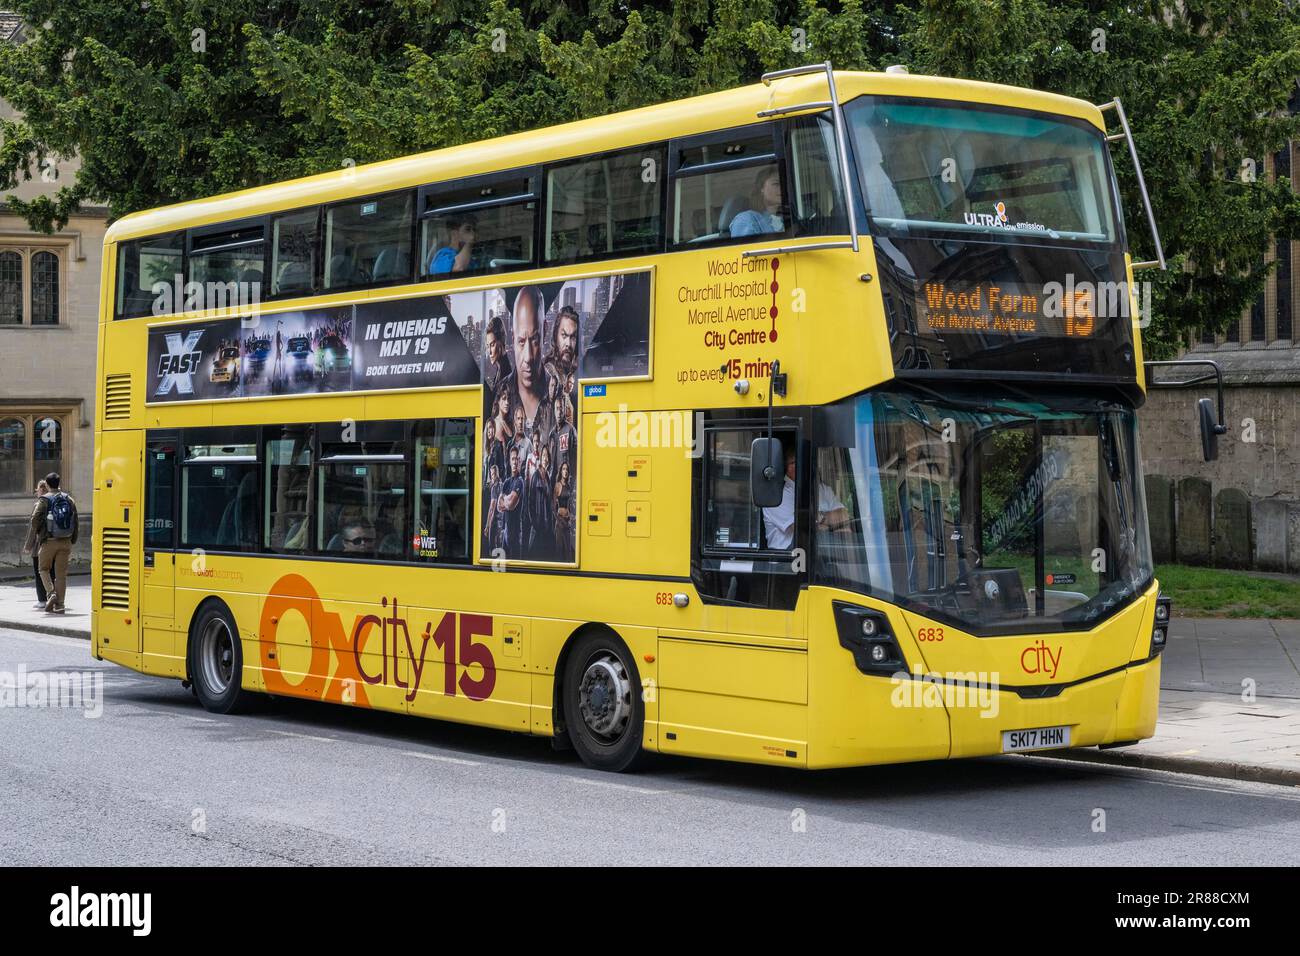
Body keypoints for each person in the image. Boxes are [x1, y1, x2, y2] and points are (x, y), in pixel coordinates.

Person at [762, 446, 850, 551]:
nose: (799, 466)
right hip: (786, 561)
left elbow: (844, 516)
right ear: (785, 467)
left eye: (803, 462)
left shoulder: (823, 489)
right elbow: (802, 529)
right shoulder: (776, 496)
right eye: (793, 463)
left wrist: (820, 518)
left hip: (822, 554)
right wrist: (832, 525)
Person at [497, 286, 555, 441]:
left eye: (535, 340)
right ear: (513, 337)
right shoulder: (501, 393)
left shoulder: (559, 395)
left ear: (545, 331)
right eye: (521, 342)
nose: (528, 357)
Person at [29, 472, 78, 614]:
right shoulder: (69, 499)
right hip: (66, 541)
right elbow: (76, 521)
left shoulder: (44, 500)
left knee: (43, 569)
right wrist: (72, 539)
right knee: (61, 574)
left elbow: (34, 519)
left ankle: (51, 594)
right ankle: (60, 606)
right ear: (59, 483)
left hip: (49, 541)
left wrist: (39, 532)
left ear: (48, 485)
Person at [728, 166, 784, 237]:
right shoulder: (746, 220)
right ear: (761, 188)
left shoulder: (788, 218)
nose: (782, 187)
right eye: (776, 184)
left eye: (784, 183)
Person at [21, 479, 52, 609]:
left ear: (40, 490)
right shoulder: (54, 503)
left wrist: (28, 546)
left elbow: (33, 528)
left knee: (39, 571)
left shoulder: (38, 504)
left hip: (40, 544)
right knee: (52, 572)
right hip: (54, 542)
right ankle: (54, 597)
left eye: (37, 490)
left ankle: (42, 600)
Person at [524, 444, 554, 560]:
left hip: (546, 525)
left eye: (547, 456)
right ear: (540, 458)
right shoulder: (536, 475)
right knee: (532, 554)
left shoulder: (547, 477)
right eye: (544, 456)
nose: (546, 459)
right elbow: (530, 501)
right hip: (537, 525)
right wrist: (535, 523)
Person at [543, 305, 580, 390]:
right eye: (564, 335)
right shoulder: (547, 373)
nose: (568, 344)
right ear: (555, 337)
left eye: (573, 337)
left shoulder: (578, 369)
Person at [497, 447, 525, 555]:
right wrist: (506, 501)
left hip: (515, 533)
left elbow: (511, 504)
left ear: (520, 461)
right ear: (509, 461)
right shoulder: (507, 482)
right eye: (512, 459)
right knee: (504, 566)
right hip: (505, 531)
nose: (514, 461)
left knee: (514, 567)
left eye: (516, 459)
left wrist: (505, 499)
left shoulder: (520, 481)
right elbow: (499, 507)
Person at [483, 313, 512, 392]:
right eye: (487, 346)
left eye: (492, 345)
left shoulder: (505, 374)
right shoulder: (500, 369)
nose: (489, 352)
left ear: (501, 341)